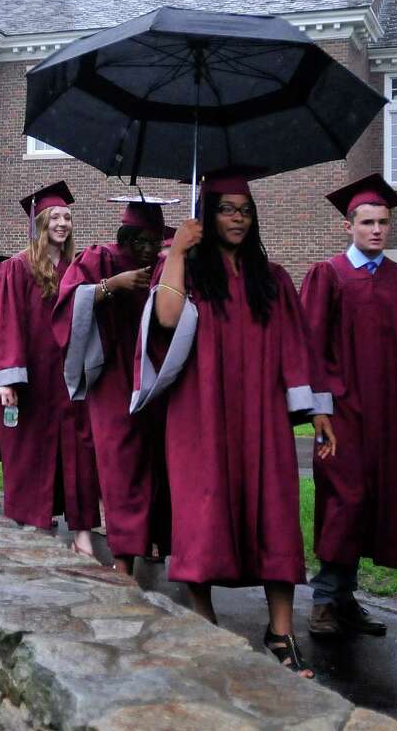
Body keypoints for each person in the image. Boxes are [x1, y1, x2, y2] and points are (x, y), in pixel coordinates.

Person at [134, 171, 336, 678]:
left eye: (245, 210)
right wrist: (177, 251)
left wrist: (317, 410)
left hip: (262, 417)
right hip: (199, 413)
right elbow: (165, 318)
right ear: (208, 214)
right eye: (227, 209)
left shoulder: (273, 279)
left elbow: (296, 347)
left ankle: (281, 633)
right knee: (201, 510)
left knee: (275, 510)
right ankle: (206, 622)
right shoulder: (187, 272)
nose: (238, 218)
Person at [300, 174, 397, 638]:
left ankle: (344, 599)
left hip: (386, 414)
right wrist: (319, 410)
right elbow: (311, 345)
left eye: (382, 222)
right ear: (349, 226)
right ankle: (323, 600)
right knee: (345, 498)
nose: (376, 229)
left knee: (372, 501)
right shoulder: (330, 275)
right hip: (341, 413)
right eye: (367, 222)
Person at [0, 182, 99, 550]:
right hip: (32, 378)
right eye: (55, 217)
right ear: (40, 223)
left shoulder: (77, 268)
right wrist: (7, 379)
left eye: (67, 217)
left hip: (70, 376)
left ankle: (83, 532)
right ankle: (35, 523)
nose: (63, 223)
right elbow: (7, 322)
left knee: (78, 453)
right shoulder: (17, 267)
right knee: (29, 450)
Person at [53, 196, 175, 574]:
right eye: (140, 240)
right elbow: (68, 305)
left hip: (155, 376)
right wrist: (111, 286)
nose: (148, 249)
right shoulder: (98, 259)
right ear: (124, 236)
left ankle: (155, 540)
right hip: (110, 376)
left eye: (155, 241)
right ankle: (123, 558)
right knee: (119, 463)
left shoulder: (164, 267)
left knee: (158, 459)